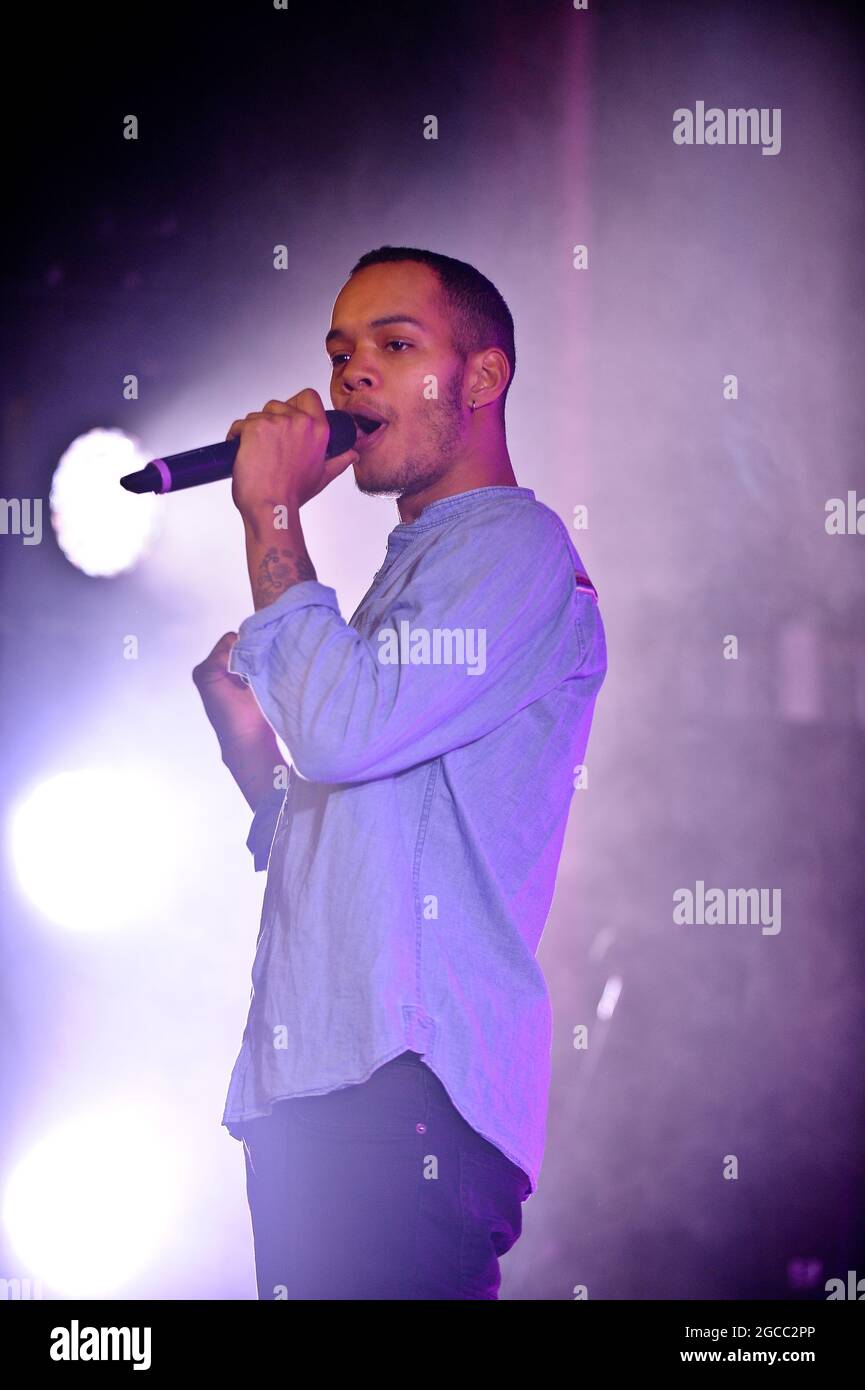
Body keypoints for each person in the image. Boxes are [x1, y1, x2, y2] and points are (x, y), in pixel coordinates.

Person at [192, 245, 607, 1299]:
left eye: (394, 343)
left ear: (481, 378)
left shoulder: (511, 546)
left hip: (398, 1097)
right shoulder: (418, 570)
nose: (350, 375)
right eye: (339, 352)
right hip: (330, 1090)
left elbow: (339, 731)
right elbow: (373, 827)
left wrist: (271, 517)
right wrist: (254, 755)